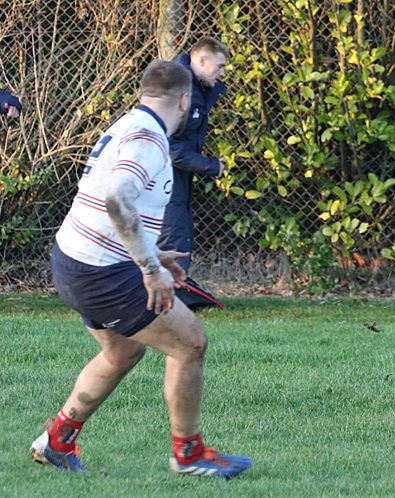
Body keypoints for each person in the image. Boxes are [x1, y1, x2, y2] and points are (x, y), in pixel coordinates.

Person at [31, 60, 251, 477]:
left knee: (122, 351)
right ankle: (188, 455)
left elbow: (107, 203)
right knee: (190, 344)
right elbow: (117, 199)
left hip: (76, 260)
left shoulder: (131, 123)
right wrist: (150, 268)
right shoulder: (149, 140)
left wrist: (148, 253)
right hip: (101, 272)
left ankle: (57, 441)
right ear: (185, 101)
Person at [157, 36, 230, 310]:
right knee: (174, 231)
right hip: (165, 175)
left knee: (178, 228)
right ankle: (168, 297)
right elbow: (170, 148)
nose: (222, 73)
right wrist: (211, 165)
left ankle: (171, 292)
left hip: (177, 175)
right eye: (219, 66)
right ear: (202, 60)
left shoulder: (195, 88)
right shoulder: (181, 89)